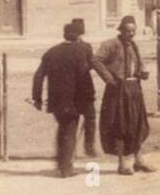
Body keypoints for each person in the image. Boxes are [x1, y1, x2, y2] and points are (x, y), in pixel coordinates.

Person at [31, 23, 96, 177]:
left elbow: (38, 76)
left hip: (56, 100)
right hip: (74, 100)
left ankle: (63, 163)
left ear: (65, 35)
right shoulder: (80, 51)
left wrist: (37, 98)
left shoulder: (51, 52)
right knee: (70, 130)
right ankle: (67, 167)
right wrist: (89, 97)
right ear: (79, 36)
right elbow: (83, 77)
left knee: (63, 129)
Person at [92, 15, 153, 176]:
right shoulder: (111, 44)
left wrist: (142, 72)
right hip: (118, 90)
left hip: (134, 89)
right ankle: (122, 164)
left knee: (137, 124)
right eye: (128, 31)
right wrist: (109, 79)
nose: (131, 34)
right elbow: (96, 60)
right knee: (120, 125)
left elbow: (138, 64)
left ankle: (139, 160)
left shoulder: (134, 45)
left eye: (133, 31)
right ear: (121, 30)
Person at [69, 17, 97, 157]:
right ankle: (88, 148)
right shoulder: (86, 47)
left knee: (75, 119)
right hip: (84, 87)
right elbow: (92, 64)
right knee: (89, 118)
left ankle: (74, 149)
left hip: (74, 88)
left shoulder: (68, 47)